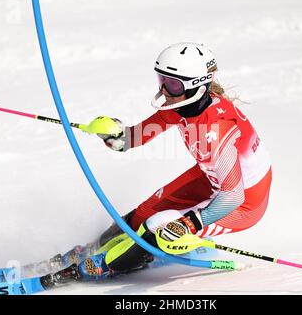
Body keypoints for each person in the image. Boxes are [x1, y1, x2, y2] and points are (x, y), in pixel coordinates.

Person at [40, 42, 272, 287]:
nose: (164, 90)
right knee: (143, 213)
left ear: (196, 85)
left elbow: (233, 196)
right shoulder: (180, 104)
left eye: (172, 84)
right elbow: (136, 136)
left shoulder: (217, 129)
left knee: (157, 228)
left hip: (243, 201)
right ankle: (91, 249)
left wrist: (191, 223)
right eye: (162, 79)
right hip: (211, 177)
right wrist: (116, 136)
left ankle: (100, 267)